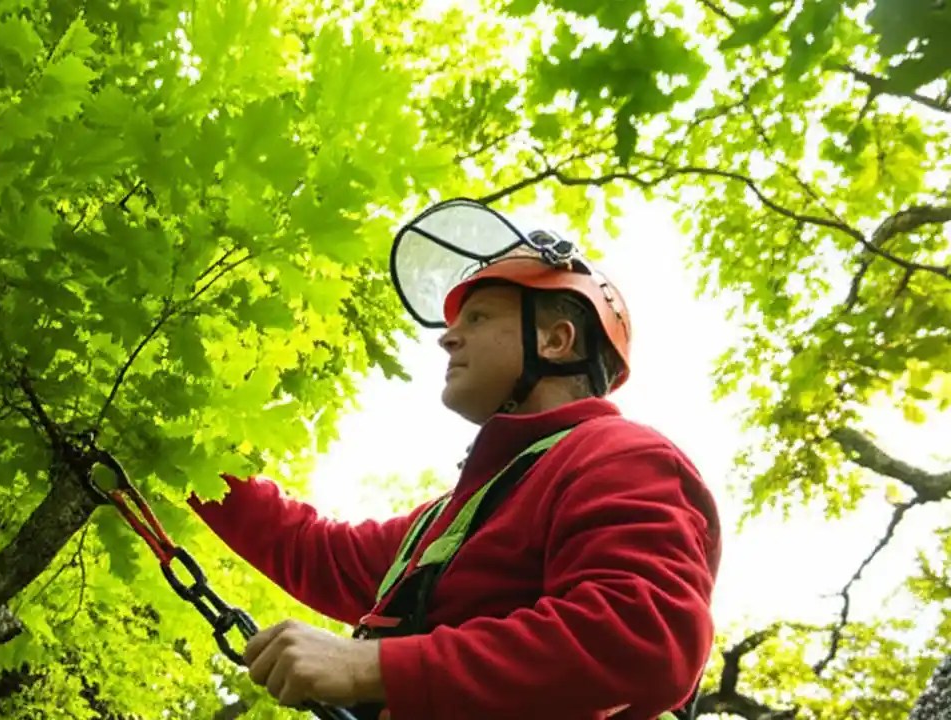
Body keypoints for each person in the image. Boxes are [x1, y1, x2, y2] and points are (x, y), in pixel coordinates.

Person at [189, 198, 722, 720]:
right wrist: (183, 455)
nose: (448, 338)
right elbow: (314, 550)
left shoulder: (619, 455)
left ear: (556, 341)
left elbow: (644, 635)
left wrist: (375, 667)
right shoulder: (448, 522)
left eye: (479, 316)